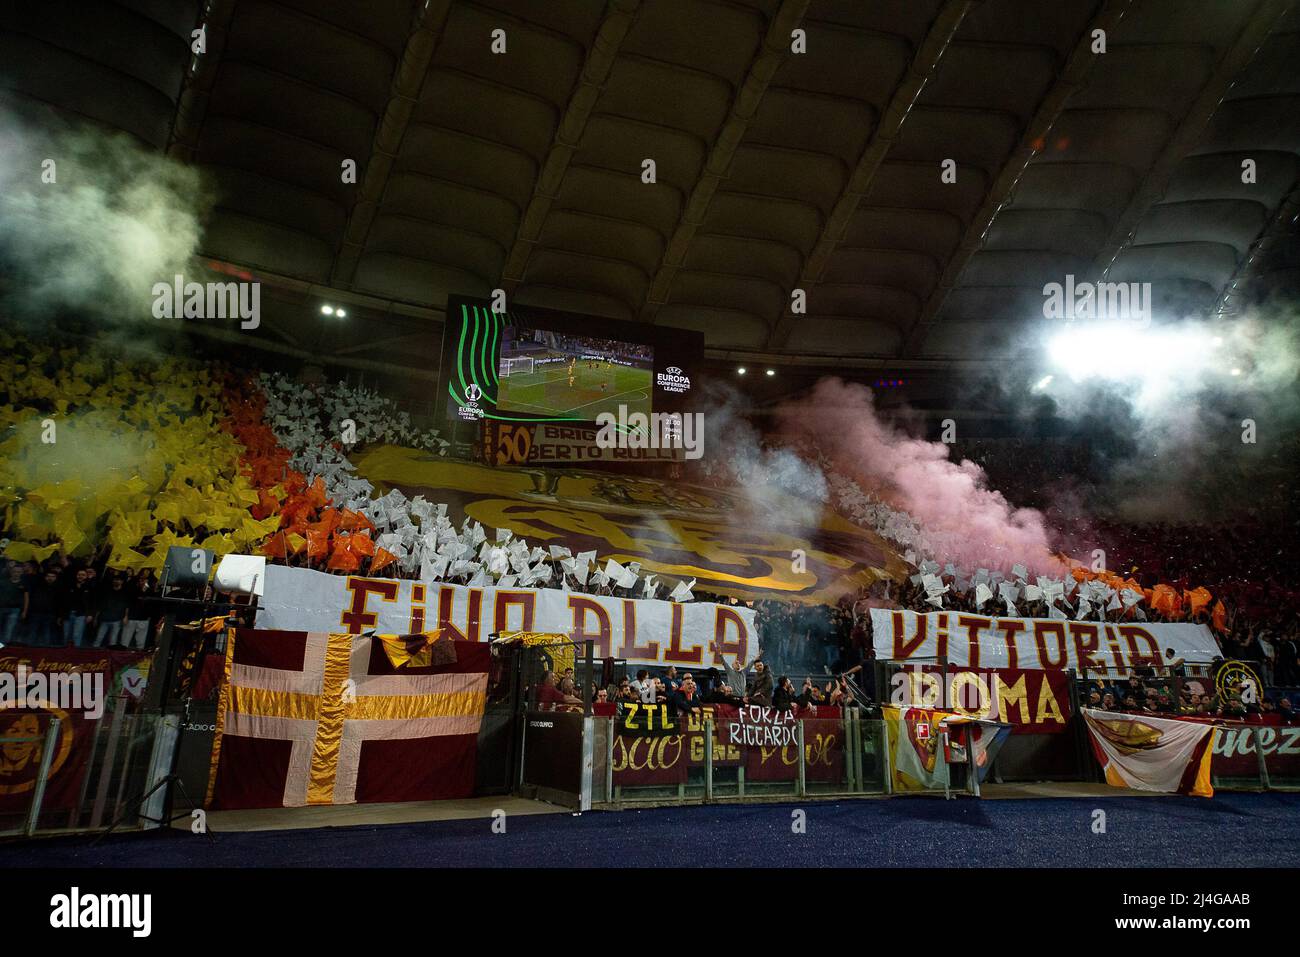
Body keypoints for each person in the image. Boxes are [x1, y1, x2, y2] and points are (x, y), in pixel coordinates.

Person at [21, 567, 61, 647]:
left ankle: (45, 653)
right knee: (32, 634)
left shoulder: (59, 588)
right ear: (45, 577)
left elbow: (60, 603)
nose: (50, 578)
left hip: (50, 614)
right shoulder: (39, 585)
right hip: (35, 613)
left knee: (47, 635)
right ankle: (27, 652)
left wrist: (59, 616)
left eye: (53, 576)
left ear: (56, 578)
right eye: (48, 576)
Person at [92, 573, 132, 648]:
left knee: (113, 642)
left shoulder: (124, 593)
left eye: (118, 580)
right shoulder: (107, 591)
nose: (116, 581)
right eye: (115, 579)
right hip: (104, 619)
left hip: (116, 620)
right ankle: (93, 657)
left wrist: (126, 616)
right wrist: (96, 618)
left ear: (122, 582)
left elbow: (127, 606)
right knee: (98, 639)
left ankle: (109, 658)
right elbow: (100, 605)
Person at [60, 567, 95, 648]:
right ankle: (64, 654)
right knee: (66, 635)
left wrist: (90, 614)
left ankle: (75, 654)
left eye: (83, 575)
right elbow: (63, 601)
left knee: (77, 635)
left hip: (81, 614)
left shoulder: (89, 587)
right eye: (79, 574)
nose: (80, 576)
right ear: (76, 576)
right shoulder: (70, 585)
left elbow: (93, 602)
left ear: (86, 576)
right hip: (68, 613)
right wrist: (61, 615)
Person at [120, 571, 154, 650]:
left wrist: (149, 617)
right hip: (131, 618)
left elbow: (151, 606)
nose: (143, 581)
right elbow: (128, 603)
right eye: (141, 579)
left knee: (141, 642)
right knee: (125, 641)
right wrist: (126, 616)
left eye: (145, 580)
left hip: (143, 619)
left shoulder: (150, 591)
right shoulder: (133, 589)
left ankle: (138, 658)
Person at [0, 563, 25, 648]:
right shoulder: (3, 582)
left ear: (22, 573)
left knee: (9, 629)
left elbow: (26, 598)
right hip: (1, 607)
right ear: (11, 572)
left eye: (19, 572)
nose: (16, 573)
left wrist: (24, 611)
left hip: (15, 609)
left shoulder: (24, 584)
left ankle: (3, 646)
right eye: (14, 571)